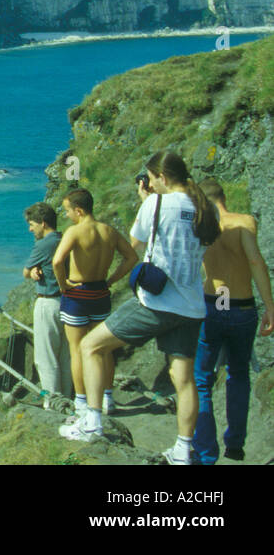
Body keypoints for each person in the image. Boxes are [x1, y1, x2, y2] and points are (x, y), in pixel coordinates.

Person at [61, 151, 219, 464]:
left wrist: (145, 199)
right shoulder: (205, 209)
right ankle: (184, 450)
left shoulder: (155, 204)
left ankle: (92, 422)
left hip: (157, 303)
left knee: (91, 346)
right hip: (191, 307)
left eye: (150, 178)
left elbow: (135, 245)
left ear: (161, 177)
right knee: (184, 380)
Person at [193, 178, 274, 464]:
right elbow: (256, 262)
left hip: (213, 303)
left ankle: (205, 452)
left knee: (201, 379)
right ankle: (235, 445)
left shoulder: (201, 228)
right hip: (241, 306)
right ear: (224, 196)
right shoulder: (245, 222)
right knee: (238, 374)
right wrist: (270, 307)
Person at [52, 188, 136, 422]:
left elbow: (57, 260)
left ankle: (81, 401)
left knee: (77, 349)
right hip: (100, 292)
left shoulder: (75, 231)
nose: (67, 215)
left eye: (68, 210)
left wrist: (63, 285)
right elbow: (131, 258)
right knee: (104, 348)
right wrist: (111, 280)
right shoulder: (109, 231)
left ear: (78, 210)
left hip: (77, 295)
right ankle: (107, 397)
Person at [22, 202, 73, 407]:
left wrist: (32, 271)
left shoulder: (44, 244)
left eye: (32, 224)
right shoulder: (64, 239)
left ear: (43, 223)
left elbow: (26, 272)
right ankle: (68, 400)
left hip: (48, 302)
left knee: (45, 358)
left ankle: (52, 403)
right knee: (65, 357)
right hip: (68, 302)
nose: (30, 229)